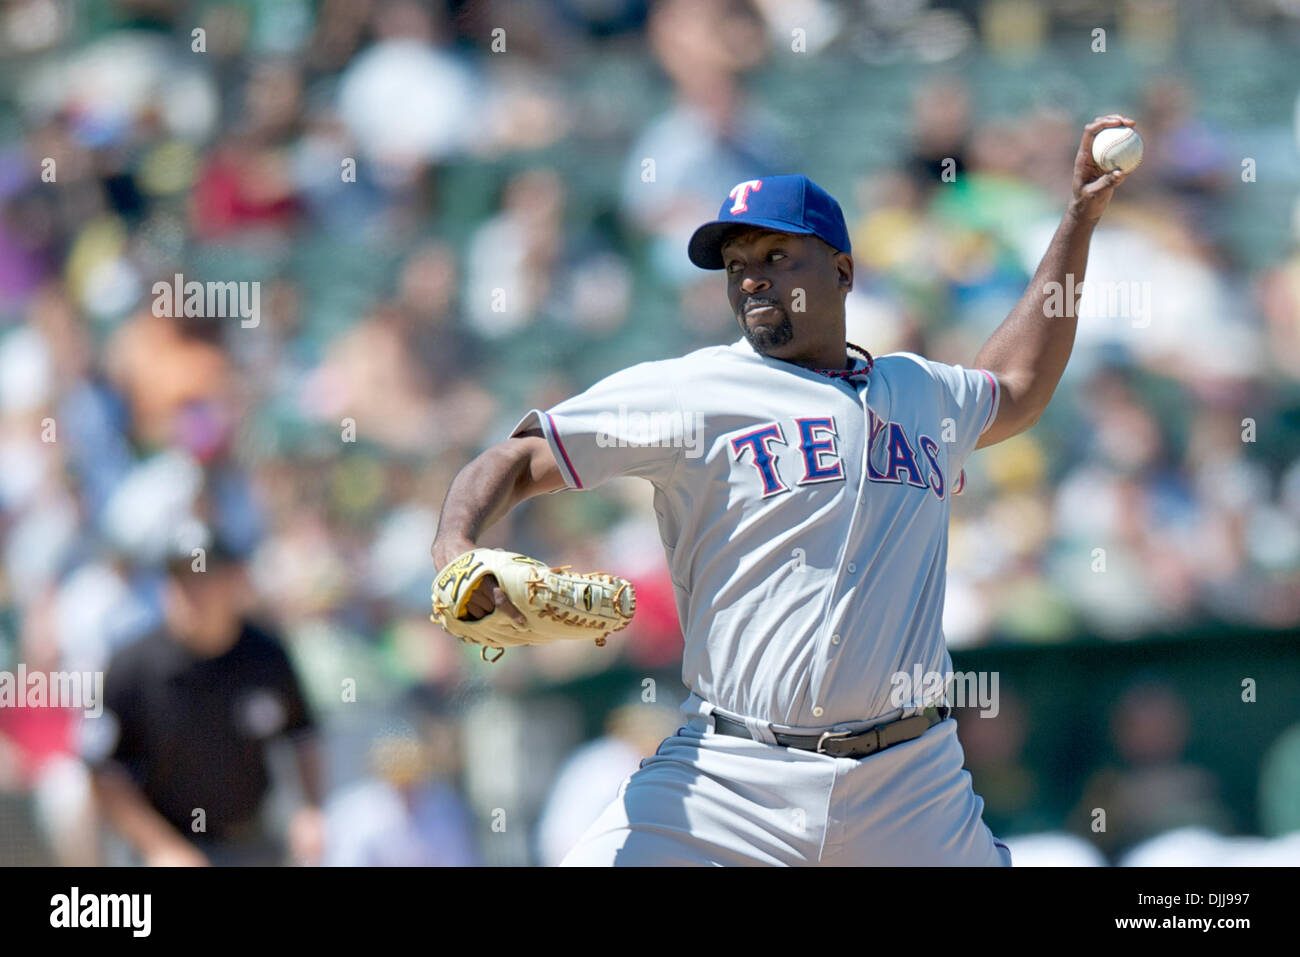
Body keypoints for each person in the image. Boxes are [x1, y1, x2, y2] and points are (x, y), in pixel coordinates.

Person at [431, 116, 1136, 865]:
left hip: (911, 782)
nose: (751, 277)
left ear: (842, 270)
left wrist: (1078, 218)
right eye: (736, 264)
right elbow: (519, 455)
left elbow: (1018, 385)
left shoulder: (919, 389)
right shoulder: (695, 391)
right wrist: (456, 545)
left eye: (775, 255)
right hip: (732, 775)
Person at [82, 534, 325, 866]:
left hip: (253, 839)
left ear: (233, 582)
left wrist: (309, 810)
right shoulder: (132, 667)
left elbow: (302, 734)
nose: (192, 592)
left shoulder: (266, 655)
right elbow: (103, 771)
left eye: (204, 578)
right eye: (180, 580)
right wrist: (160, 848)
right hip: (166, 845)